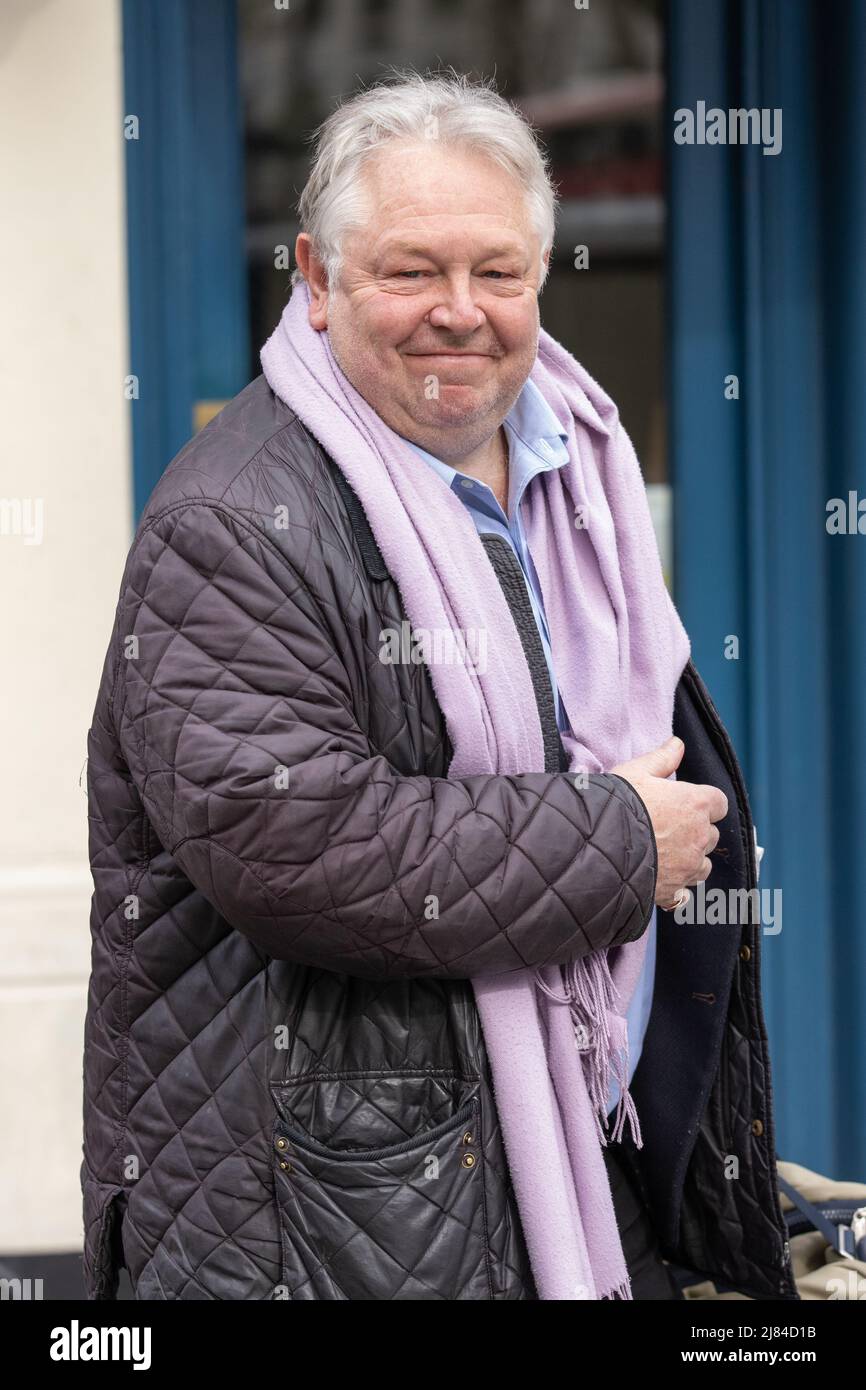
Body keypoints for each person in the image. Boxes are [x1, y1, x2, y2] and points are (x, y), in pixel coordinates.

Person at [81, 71, 796, 1301]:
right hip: (322, 1222)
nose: (459, 312)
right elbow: (296, 843)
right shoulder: (234, 518)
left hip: (566, 1158)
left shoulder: (575, 468)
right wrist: (619, 838)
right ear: (315, 276)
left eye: (498, 272)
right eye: (409, 271)